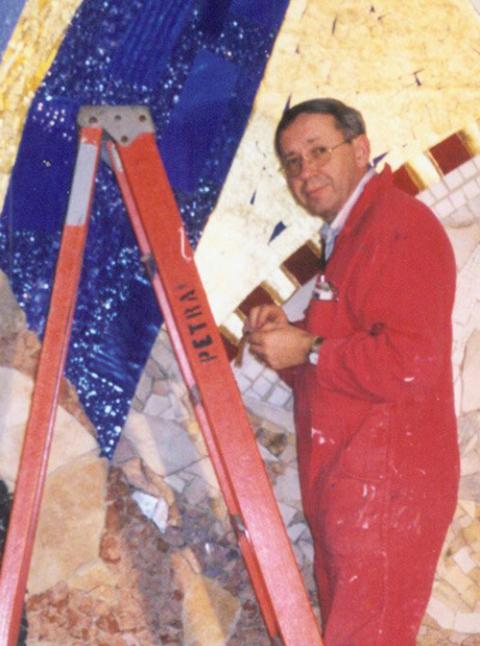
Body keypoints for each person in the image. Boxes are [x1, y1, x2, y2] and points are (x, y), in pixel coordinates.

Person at [246, 98, 459, 646]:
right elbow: (343, 364)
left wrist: (307, 346)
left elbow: (409, 364)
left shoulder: (397, 227)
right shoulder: (353, 235)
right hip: (355, 489)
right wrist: (286, 342)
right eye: (292, 161)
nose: (305, 171)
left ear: (360, 149)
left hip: (382, 494)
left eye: (319, 151)